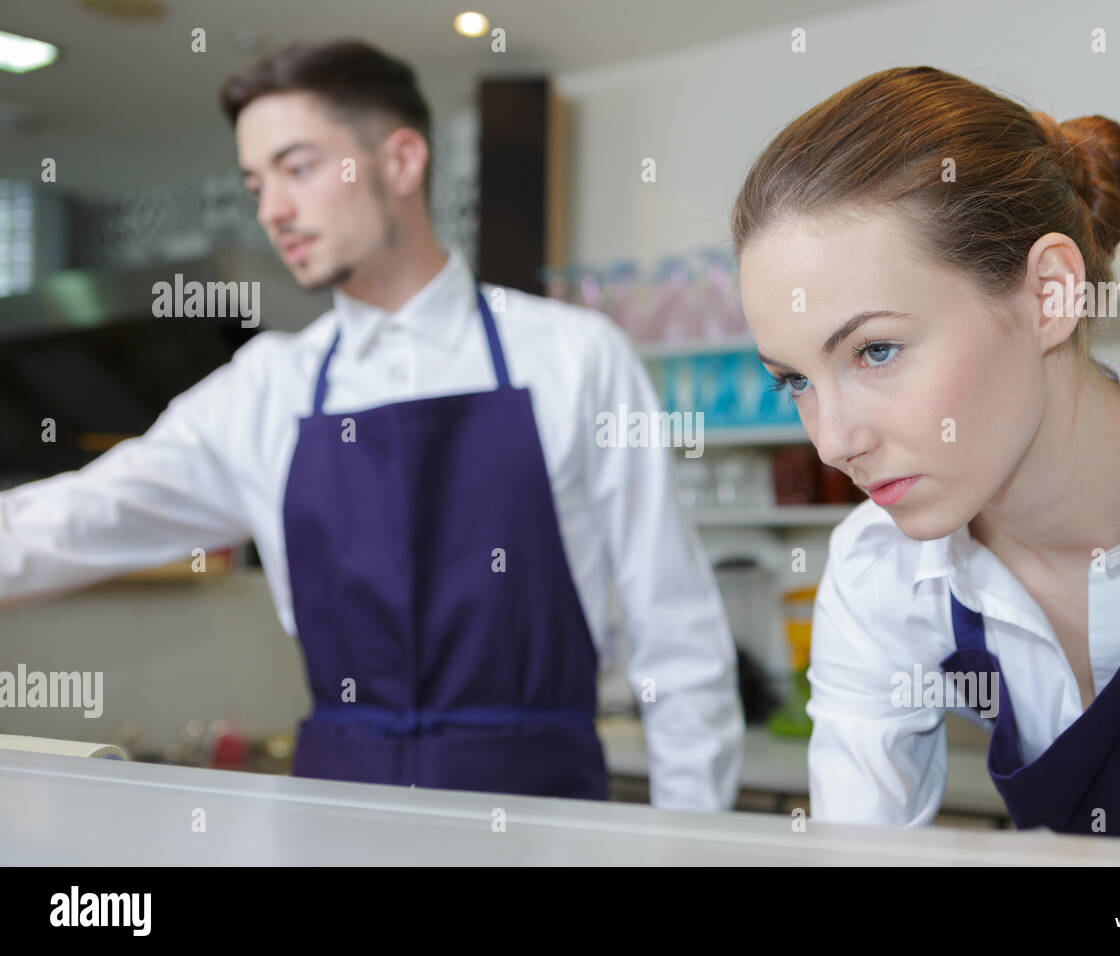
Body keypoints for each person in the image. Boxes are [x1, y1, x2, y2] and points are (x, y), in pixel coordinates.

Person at [0, 39, 743, 810]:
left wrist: (690, 846)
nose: (271, 210)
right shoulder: (262, 390)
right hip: (334, 818)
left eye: (299, 167)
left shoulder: (576, 357)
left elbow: (677, 631)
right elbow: (62, 525)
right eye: (256, 183)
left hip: (541, 817)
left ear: (401, 161)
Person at [731, 65, 1120, 849]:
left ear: (1049, 294)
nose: (833, 443)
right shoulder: (879, 574)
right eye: (795, 380)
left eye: (877, 350)